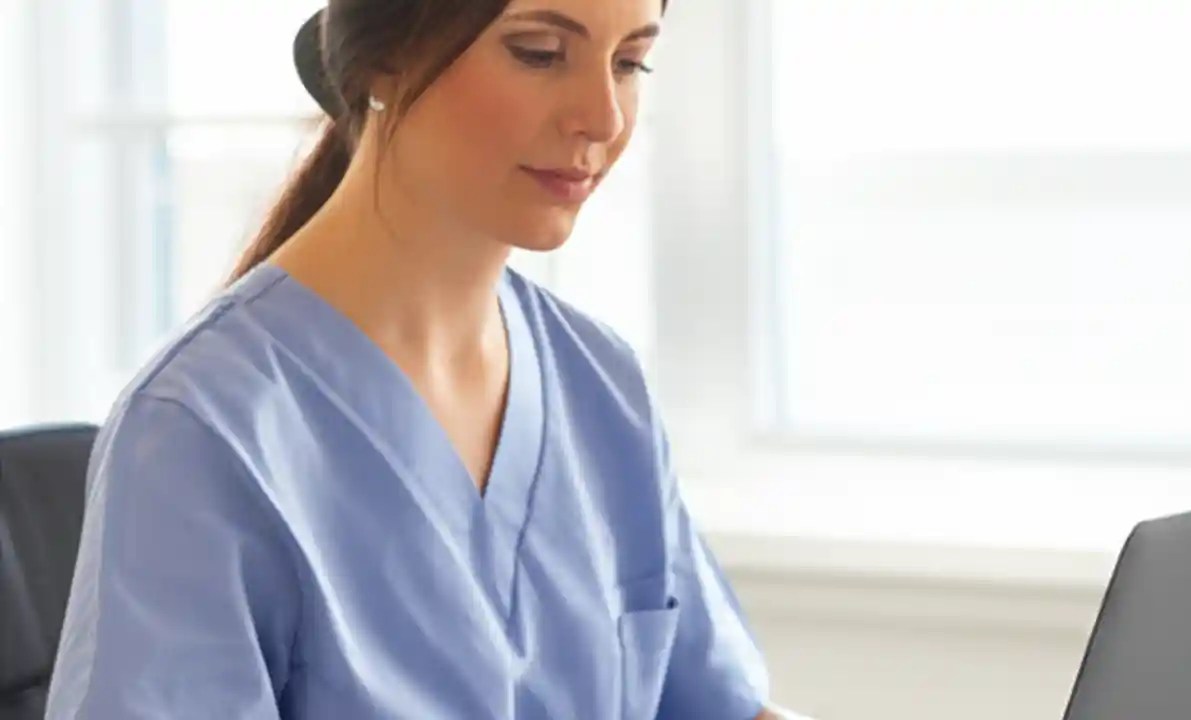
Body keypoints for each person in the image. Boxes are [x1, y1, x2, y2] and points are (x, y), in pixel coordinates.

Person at [45, 1, 799, 718]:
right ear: (384, 60)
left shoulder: (600, 383)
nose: (602, 117)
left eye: (632, 63)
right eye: (540, 53)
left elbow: (719, 706)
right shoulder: (200, 431)